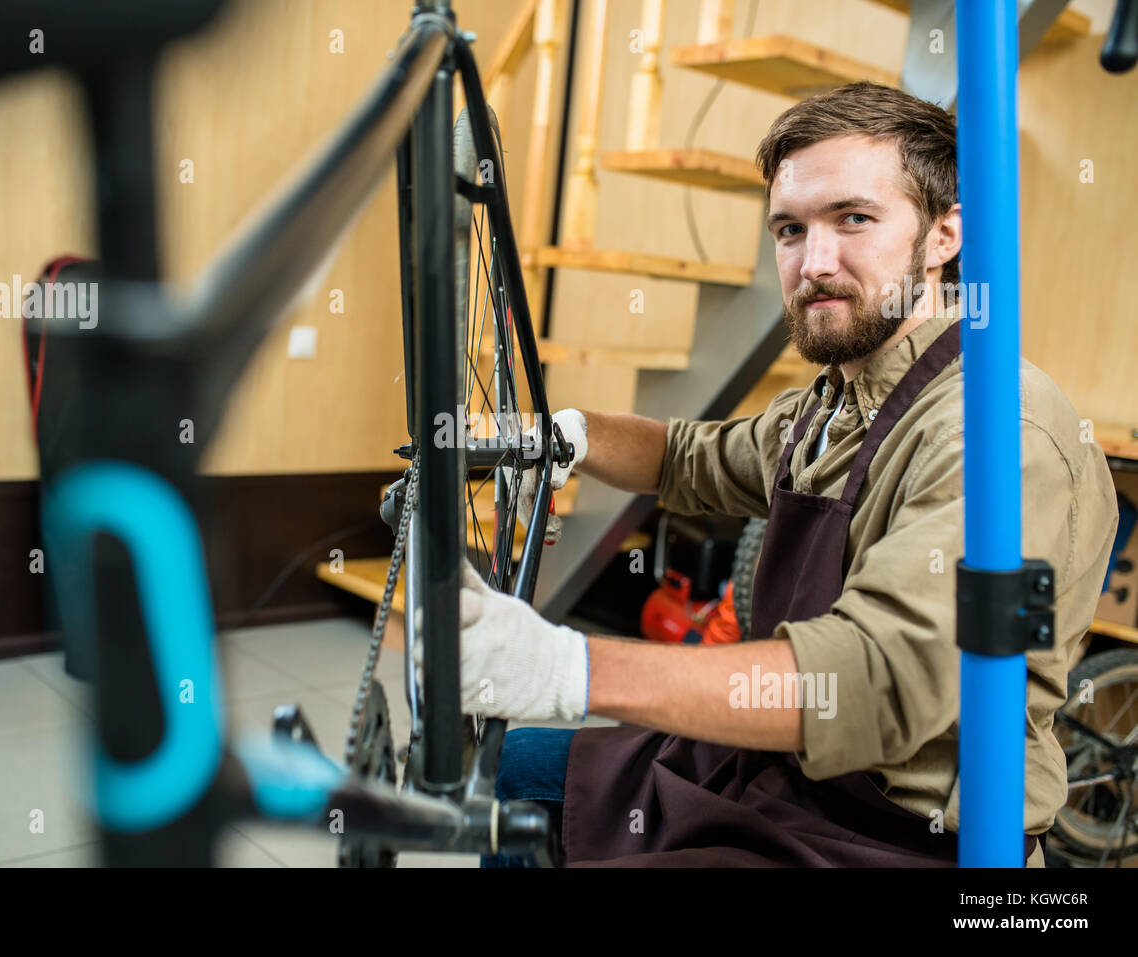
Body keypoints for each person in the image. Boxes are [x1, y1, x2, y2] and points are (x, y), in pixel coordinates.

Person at [468, 81, 1119, 867]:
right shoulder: (834, 398)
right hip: (780, 774)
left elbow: (866, 680)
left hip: (894, 835)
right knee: (506, 777)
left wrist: (569, 666)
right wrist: (565, 436)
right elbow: (689, 457)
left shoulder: (997, 435)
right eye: (789, 228)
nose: (814, 263)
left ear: (945, 235)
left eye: (853, 218)